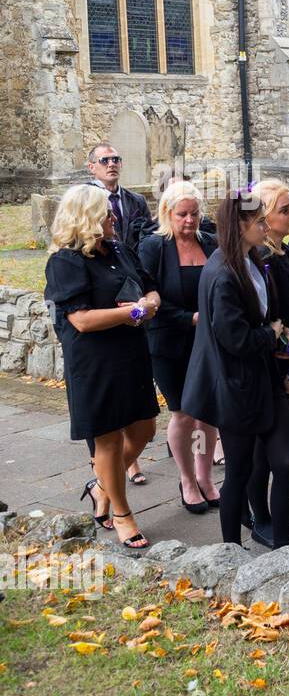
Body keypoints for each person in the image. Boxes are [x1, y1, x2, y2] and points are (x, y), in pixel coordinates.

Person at [44, 183, 159, 549]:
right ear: (88, 218)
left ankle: (100, 485)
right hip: (95, 362)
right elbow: (80, 320)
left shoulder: (119, 250)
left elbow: (151, 286)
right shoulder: (65, 261)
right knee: (107, 439)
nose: (113, 218)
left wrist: (150, 301)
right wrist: (135, 311)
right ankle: (122, 514)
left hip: (131, 354)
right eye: (106, 213)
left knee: (144, 430)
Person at [182, 190, 289, 545]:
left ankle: (282, 546)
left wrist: (284, 338)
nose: (266, 227)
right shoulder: (223, 273)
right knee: (239, 472)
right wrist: (272, 333)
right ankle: (230, 550)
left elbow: (265, 313)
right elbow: (236, 340)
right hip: (235, 388)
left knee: (284, 463)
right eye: (260, 221)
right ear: (241, 225)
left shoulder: (254, 259)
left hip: (264, 382)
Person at [137, 181, 220, 514]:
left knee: (208, 413)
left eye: (194, 213)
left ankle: (206, 477)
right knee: (184, 412)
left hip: (207, 343)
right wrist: (191, 318)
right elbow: (150, 295)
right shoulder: (153, 247)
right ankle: (186, 479)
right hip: (168, 342)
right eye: (182, 214)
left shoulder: (211, 243)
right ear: (167, 214)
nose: (189, 221)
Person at [244, 179, 289, 549]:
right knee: (272, 453)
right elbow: (273, 320)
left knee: (282, 448)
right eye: (285, 209)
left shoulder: (282, 252)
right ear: (263, 217)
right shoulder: (265, 261)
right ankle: (260, 517)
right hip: (273, 370)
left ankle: (259, 515)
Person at [85, 141, 152, 485]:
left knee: (136, 406)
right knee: (103, 413)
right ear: (91, 167)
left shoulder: (135, 200)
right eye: (104, 160)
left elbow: (143, 239)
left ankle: (126, 461)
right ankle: (109, 467)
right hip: (102, 289)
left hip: (129, 279)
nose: (112, 164)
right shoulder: (84, 199)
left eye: (116, 158)